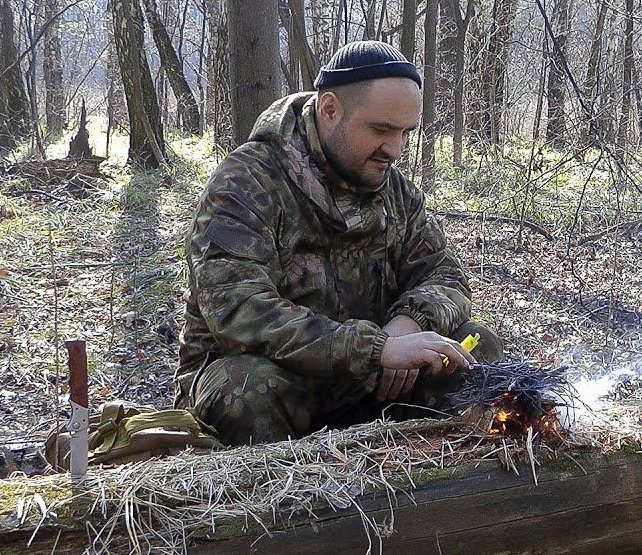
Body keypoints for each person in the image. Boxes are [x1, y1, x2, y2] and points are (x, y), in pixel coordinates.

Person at [174, 41, 500, 446]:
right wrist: (375, 349)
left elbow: (446, 274)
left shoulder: (393, 189)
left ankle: (441, 493)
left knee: (474, 348)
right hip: (278, 382)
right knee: (244, 387)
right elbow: (239, 310)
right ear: (330, 110)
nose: (394, 150)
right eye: (381, 129)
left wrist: (406, 326)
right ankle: (288, 505)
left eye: (405, 133)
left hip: (374, 383)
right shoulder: (246, 183)